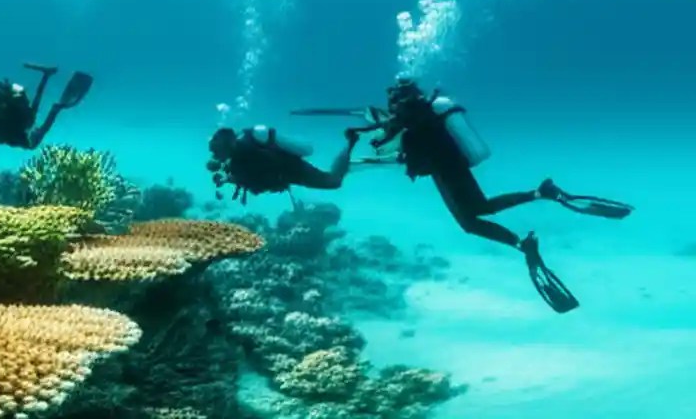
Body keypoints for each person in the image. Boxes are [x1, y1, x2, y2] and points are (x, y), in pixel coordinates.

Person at [363, 77, 634, 314]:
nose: (393, 106)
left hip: (446, 172)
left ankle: (532, 219)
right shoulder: (426, 115)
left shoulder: (409, 123)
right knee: (479, 210)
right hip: (452, 167)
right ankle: (539, 200)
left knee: (472, 220)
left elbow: (408, 158)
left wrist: (386, 142)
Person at [206, 124, 363, 205]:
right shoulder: (238, 154)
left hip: (294, 170)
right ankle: (346, 157)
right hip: (288, 171)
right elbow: (247, 175)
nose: (215, 156)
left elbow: (257, 177)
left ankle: (351, 143)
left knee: (333, 182)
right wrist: (227, 179)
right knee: (332, 180)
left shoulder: (245, 154)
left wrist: (231, 178)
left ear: (227, 146)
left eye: (216, 151)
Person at [0, 64, 93, 154]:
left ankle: (51, 95)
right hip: (11, 124)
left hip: (14, 120)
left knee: (30, 123)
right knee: (31, 123)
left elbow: (26, 112)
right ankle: (47, 79)